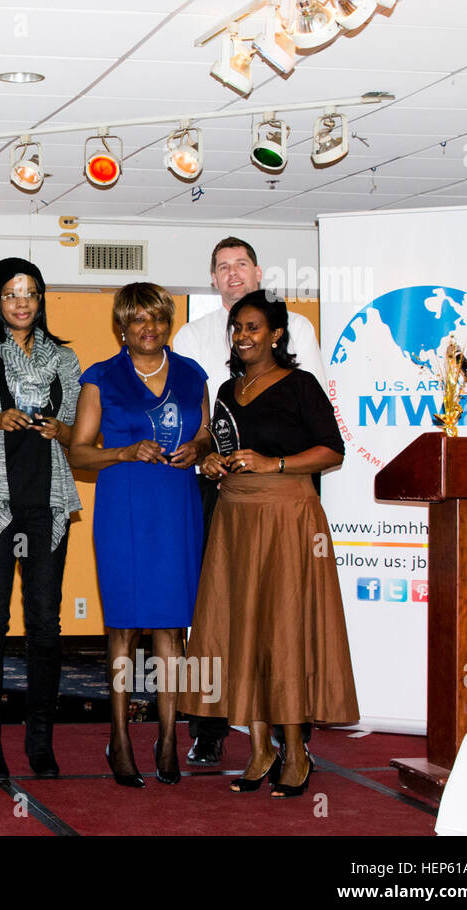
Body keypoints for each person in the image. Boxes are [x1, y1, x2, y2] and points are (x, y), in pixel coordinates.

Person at [179, 289, 358, 797]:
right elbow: (217, 444)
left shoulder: (300, 385)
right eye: (237, 328)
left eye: (254, 327)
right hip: (234, 519)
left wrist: (274, 463)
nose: (243, 336)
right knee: (242, 631)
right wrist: (207, 458)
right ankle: (259, 750)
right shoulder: (226, 391)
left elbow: (332, 450)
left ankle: (296, 751)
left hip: (287, 516)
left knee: (283, 628)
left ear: (277, 334)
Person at [171, 235, 325, 767]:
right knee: (216, 608)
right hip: (218, 491)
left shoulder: (297, 330)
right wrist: (202, 456)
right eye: (221, 267)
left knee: (283, 612)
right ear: (212, 279)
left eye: (240, 265)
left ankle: (290, 732)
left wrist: (275, 465)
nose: (232, 274)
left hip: (282, 496)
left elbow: (316, 425)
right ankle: (210, 726)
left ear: (258, 272)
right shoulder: (192, 336)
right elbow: (199, 419)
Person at [68, 283, 208, 787]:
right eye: (138, 321)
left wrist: (198, 447)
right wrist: (122, 453)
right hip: (124, 508)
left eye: (158, 320)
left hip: (176, 506)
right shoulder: (100, 378)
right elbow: (79, 452)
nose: (149, 329)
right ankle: (120, 738)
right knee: (124, 630)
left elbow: (206, 432)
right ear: (121, 327)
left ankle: (169, 738)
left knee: (173, 631)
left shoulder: (194, 375)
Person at [0, 257, 81, 780]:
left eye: (29, 292)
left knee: (46, 627)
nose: (21, 301)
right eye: (10, 293)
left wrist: (59, 431)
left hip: (46, 504)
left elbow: (79, 433)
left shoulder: (64, 359)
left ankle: (39, 743)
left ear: (41, 299)